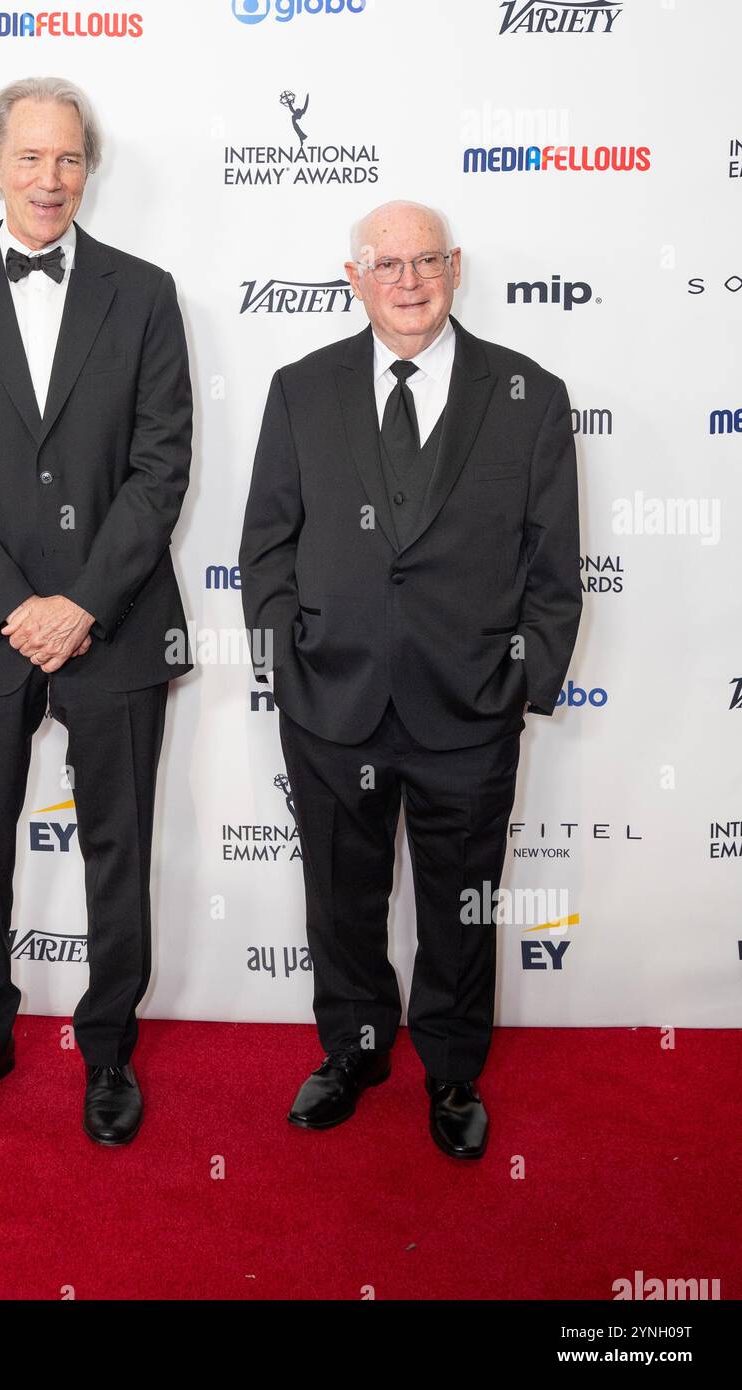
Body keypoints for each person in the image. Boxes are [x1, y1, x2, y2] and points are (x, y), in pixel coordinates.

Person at [239, 200, 581, 1158]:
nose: (406, 279)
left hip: (470, 708)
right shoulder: (300, 389)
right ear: (354, 277)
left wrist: (525, 682)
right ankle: (351, 1053)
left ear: (455, 266)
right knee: (340, 898)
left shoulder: (528, 393)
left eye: (424, 259)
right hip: (331, 703)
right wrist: (286, 652)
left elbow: (556, 565)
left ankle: (452, 1071)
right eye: (384, 263)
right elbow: (264, 542)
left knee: (460, 904)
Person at [0, 76, 192, 1145]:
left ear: (87, 169)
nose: (50, 179)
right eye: (30, 157)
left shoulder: (147, 292)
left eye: (68, 159)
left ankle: (108, 1050)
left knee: (120, 845)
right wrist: (19, 605)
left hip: (112, 621)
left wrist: (83, 605)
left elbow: (161, 469)